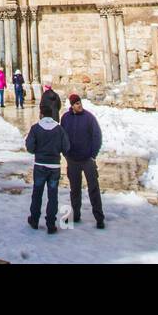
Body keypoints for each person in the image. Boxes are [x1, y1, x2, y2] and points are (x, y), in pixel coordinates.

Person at [25, 102, 70, 234]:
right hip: (54, 166)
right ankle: (51, 223)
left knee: (37, 193)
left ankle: (34, 219)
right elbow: (66, 147)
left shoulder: (35, 128)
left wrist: (39, 151)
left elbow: (30, 147)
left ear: (41, 114)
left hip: (40, 165)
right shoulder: (59, 129)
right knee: (53, 195)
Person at [61, 94, 105, 228]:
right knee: (75, 189)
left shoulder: (89, 118)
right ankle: (76, 214)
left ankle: (99, 217)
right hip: (72, 159)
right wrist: (65, 152)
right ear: (72, 106)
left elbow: (97, 136)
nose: (79, 105)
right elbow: (62, 135)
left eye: (80, 103)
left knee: (93, 188)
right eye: (76, 104)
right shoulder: (66, 118)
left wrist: (93, 155)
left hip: (87, 159)